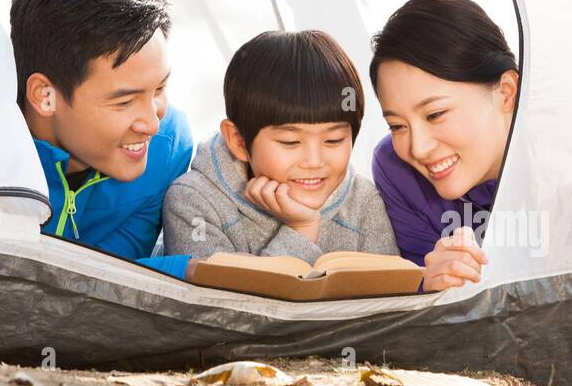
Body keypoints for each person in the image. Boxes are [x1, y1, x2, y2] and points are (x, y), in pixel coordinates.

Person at [10, 0, 195, 279]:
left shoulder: (168, 147)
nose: (152, 124)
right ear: (45, 95)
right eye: (124, 102)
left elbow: (110, 275)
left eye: (158, 90)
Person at [163, 30, 398, 262]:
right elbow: (210, 299)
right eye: (291, 142)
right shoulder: (193, 201)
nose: (314, 161)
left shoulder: (364, 201)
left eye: (333, 140)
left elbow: (394, 296)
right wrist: (301, 230)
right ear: (239, 141)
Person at [369, 0, 519, 292]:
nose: (419, 149)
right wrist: (427, 285)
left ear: (505, 93)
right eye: (397, 125)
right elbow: (417, 292)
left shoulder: (571, 159)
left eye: (435, 114)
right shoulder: (395, 169)